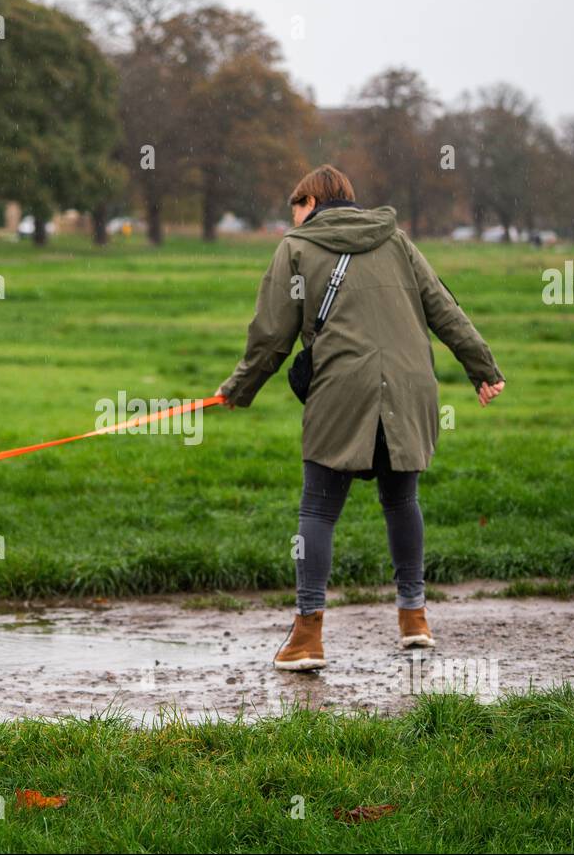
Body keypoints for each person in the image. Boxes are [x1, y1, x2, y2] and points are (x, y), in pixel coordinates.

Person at [215, 165, 505, 670]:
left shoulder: (296, 248)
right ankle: (414, 618)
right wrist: (482, 368)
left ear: (309, 202)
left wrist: (238, 390)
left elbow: (271, 336)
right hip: (410, 385)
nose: (293, 219)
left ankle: (307, 637)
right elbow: (445, 309)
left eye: (295, 209)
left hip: (342, 390)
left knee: (319, 509)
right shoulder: (396, 240)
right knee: (401, 499)